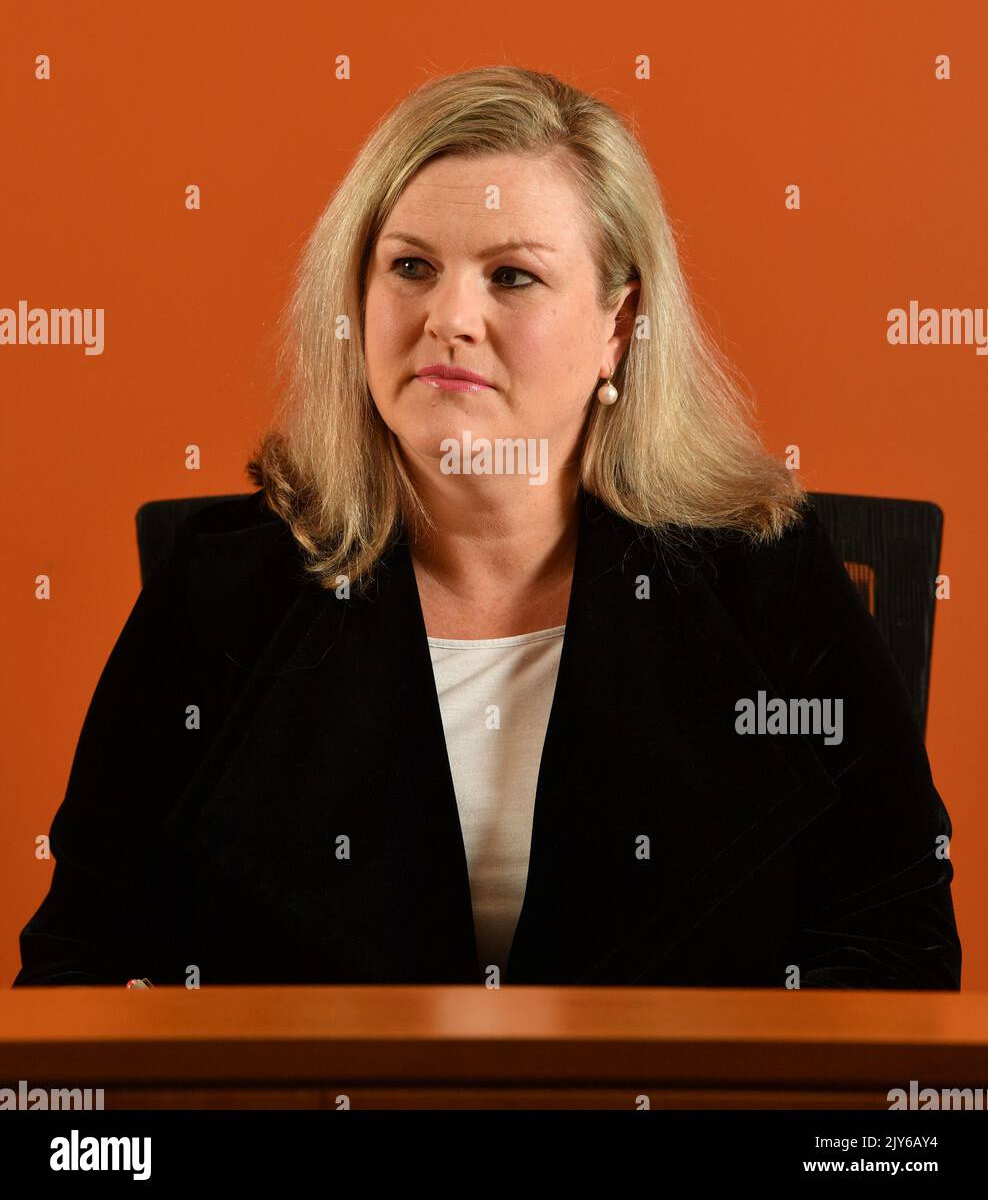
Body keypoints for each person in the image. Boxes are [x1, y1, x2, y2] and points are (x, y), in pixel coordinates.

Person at [13, 66, 961, 989]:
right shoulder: (218, 592)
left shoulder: (768, 581)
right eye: (411, 267)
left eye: (512, 276)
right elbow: (77, 962)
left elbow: (898, 949)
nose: (449, 318)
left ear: (617, 328)